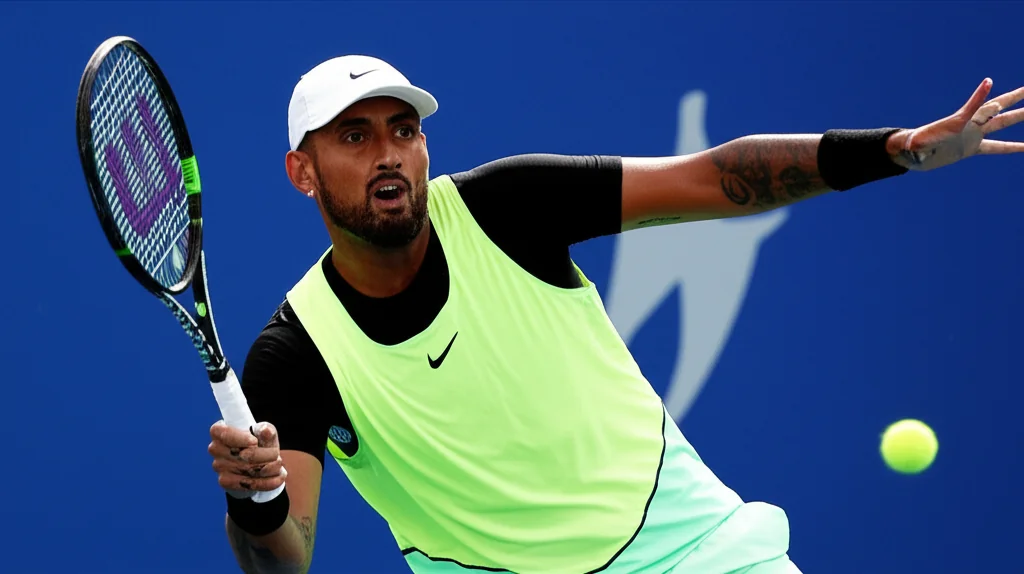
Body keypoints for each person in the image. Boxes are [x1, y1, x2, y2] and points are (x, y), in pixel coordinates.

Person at [207, 54, 1023, 574]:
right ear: (303, 173)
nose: (387, 151)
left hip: (703, 555)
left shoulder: (507, 207)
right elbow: (286, 561)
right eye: (353, 136)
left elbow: (712, 176)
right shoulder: (296, 355)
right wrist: (258, 500)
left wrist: (889, 150)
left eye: (403, 129)